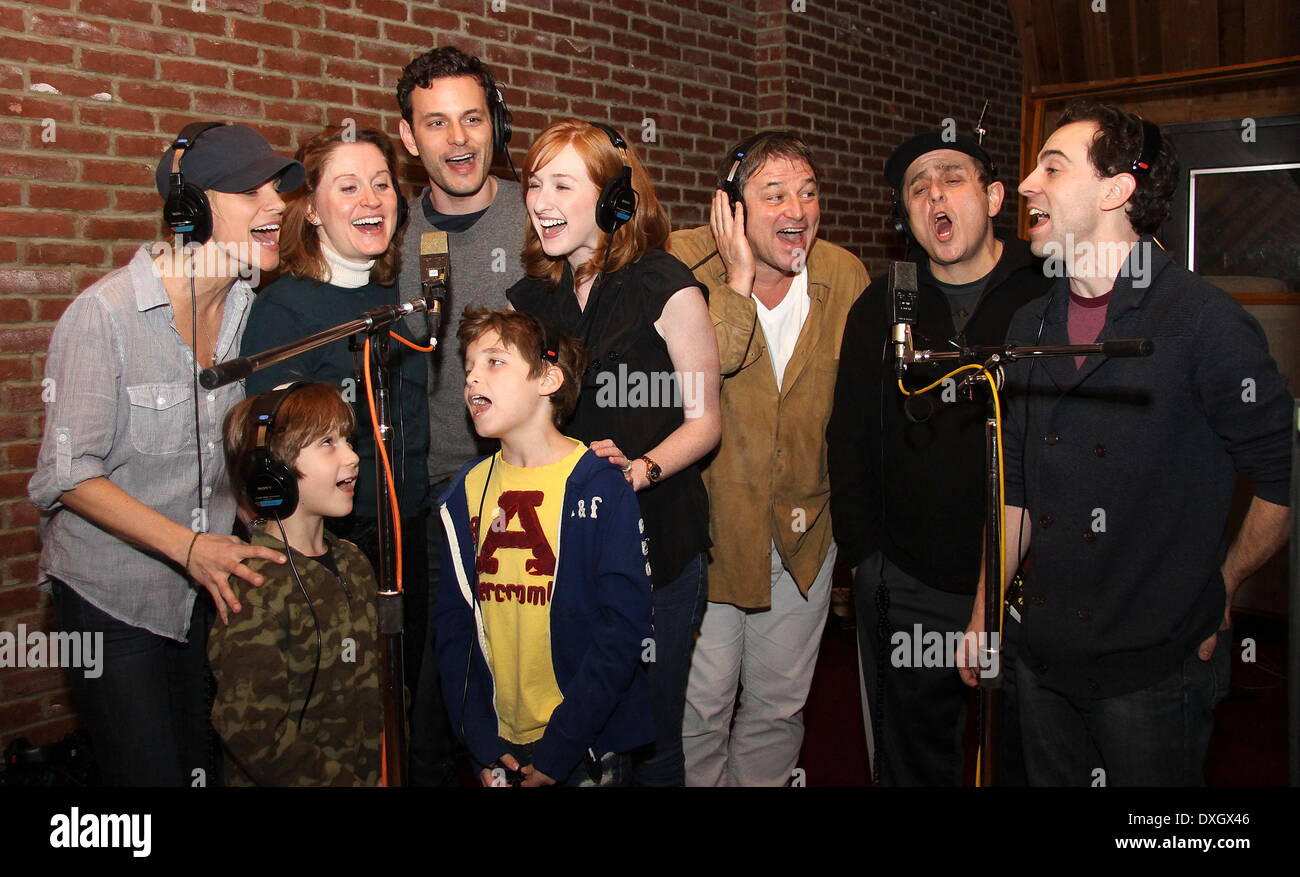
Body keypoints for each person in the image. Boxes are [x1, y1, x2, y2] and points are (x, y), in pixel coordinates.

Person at [961, 101, 1293, 786]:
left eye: (1052, 167)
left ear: (1117, 190)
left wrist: (1222, 585)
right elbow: (1015, 489)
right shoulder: (1032, 319)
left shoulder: (1206, 323)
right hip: (1042, 659)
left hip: (1154, 672)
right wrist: (983, 612)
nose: (1026, 184)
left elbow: (1280, 477)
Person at [27, 122, 303, 786]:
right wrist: (188, 546)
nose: (276, 205)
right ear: (194, 208)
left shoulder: (246, 311)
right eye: (252, 190)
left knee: (197, 768)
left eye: (278, 188)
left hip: (199, 595)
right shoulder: (105, 316)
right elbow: (69, 476)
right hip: (109, 599)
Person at [827, 129, 1050, 785]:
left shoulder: (1045, 291)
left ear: (995, 196)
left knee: (1022, 756)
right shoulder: (883, 303)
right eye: (917, 188)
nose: (933, 196)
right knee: (911, 760)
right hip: (907, 581)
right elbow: (850, 435)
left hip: (1022, 586)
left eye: (950, 178)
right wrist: (867, 558)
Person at [507, 119, 721, 786]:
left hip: (657, 542)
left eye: (562, 184)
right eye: (535, 183)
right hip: (569, 551)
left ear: (614, 200)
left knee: (650, 740)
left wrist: (641, 467)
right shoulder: (533, 298)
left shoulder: (666, 284)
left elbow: (705, 419)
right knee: (578, 734)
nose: (541, 200)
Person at [669, 131, 869, 786]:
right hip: (714, 537)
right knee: (700, 708)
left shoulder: (843, 274)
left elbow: (860, 409)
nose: (797, 210)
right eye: (775, 193)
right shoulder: (684, 264)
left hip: (805, 537)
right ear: (730, 207)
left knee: (779, 707)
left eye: (808, 192)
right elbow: (703, 374)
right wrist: (736, 279)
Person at [238, 125, 430, 739]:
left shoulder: (403, 297)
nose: (371, 200)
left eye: (381, 184)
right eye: (348, 187)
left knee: (414, 711)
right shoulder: (284, 310)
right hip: (336, 547)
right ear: (313, 211)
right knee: (348, 720)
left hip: (414, 532)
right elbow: (276, 451)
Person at [435, 307, 653, 786]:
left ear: (548, 379)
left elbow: (621, 629)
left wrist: (562, 748)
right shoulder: (461, 493)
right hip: (499, 742)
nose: (472, 379)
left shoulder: (599, 484)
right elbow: (454, 632)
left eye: (494, 362)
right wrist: (479, 740)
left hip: (584, 742)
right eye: (468, 366)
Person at [395, 45, 530, 785]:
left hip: (531, 489)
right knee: (441, 690)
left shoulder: (536, 218)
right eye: (436, 122)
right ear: (410, 138)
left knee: (526, 689)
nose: (458, 139)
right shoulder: (389, 233)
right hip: (436, 497)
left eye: (472, 118)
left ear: (494, 124)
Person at [210, 382, 381, 786]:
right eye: (327, 443)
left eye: (348, 440)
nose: (353, 457)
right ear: (274, 472)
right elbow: (251, 731)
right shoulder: (255, 586)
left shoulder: (354, 562)